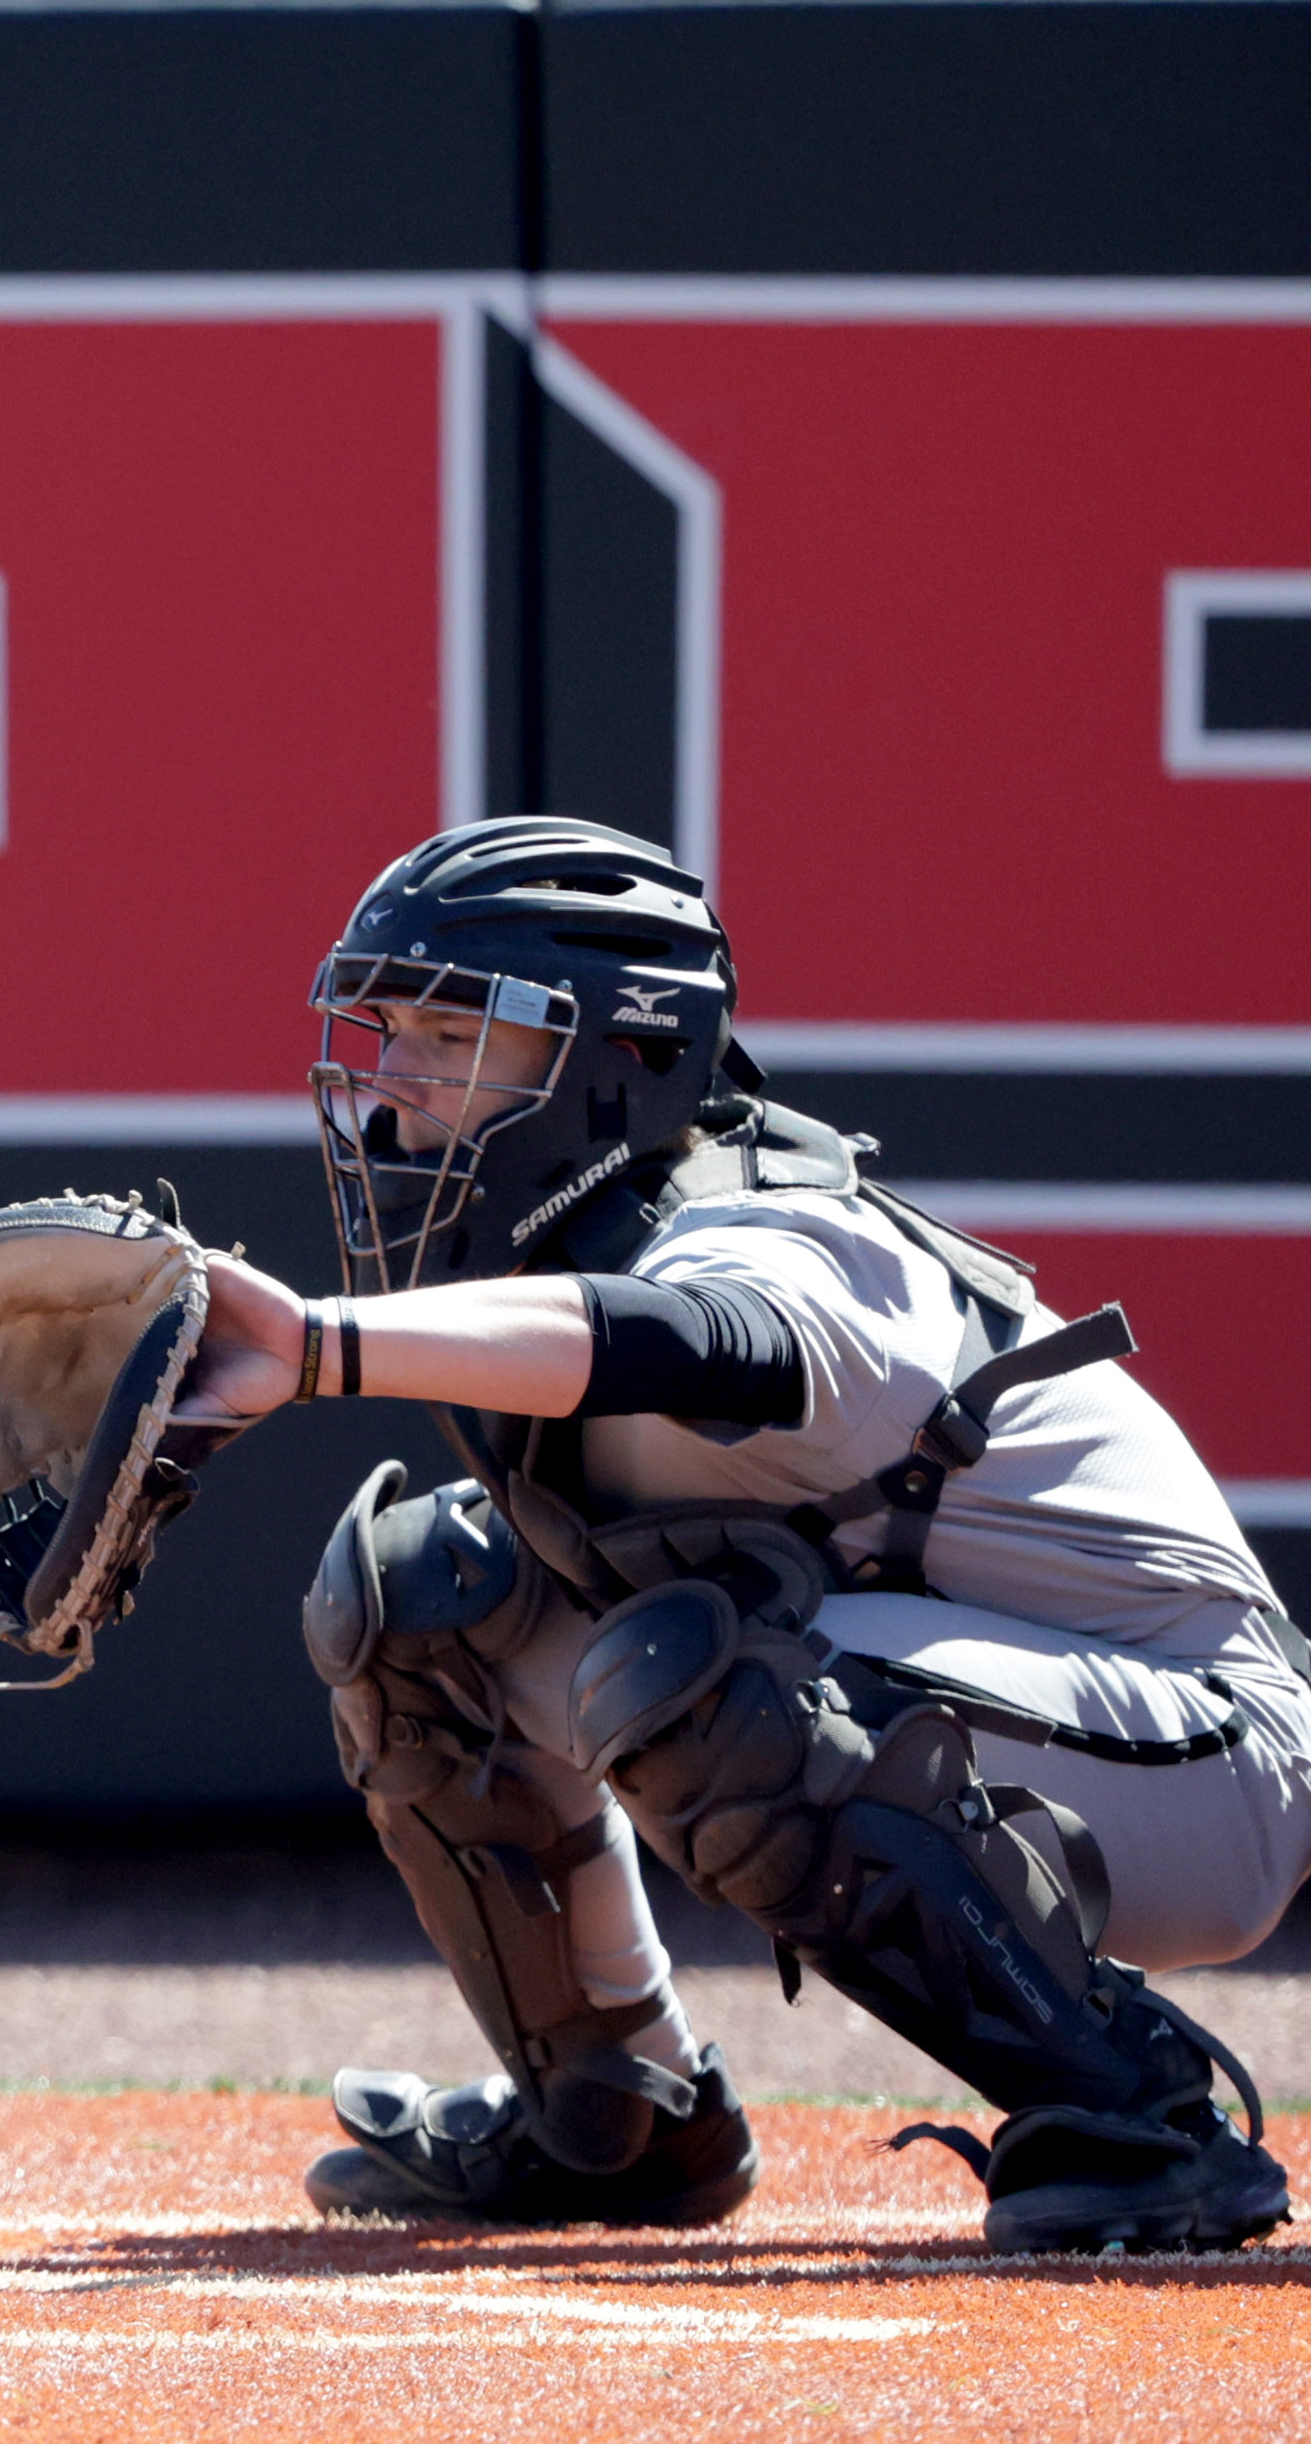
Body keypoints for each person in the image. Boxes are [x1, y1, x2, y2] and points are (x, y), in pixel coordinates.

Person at [182, 816, 1303, 2253]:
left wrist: (322, 1345)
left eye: (451, 1034)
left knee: (714, 1681)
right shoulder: (568, 1240)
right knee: (424, 1595)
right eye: (386, 1032)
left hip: (1209, 1755)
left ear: (625, 1056)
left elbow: (705, 1340)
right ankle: (614, 2115)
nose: (395, 1089)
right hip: (970, 1691)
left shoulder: (772, 1227)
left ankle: (1137, 2118)